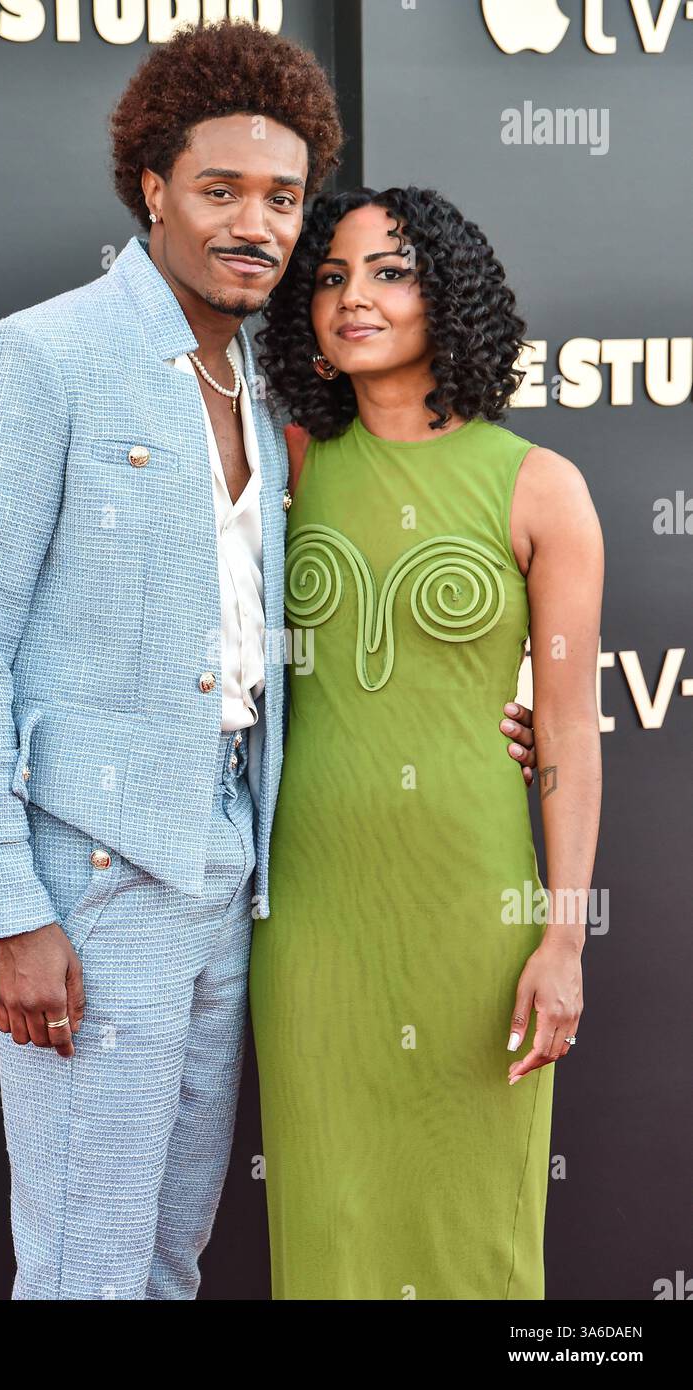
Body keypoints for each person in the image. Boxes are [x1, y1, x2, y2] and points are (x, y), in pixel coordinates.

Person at [0, 20, 536, 1301]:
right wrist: (7, 909)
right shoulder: (45, 361)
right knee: (85, 1265)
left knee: (166, 1257)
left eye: (282, 196)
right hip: (88, 875)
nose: (256, 222)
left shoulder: (269, 376)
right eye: (220, 190)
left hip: (235, 870)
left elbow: (398, 554)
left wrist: (501, 690)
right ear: (153, 187)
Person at [248, 187, 603, 1300]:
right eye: (329, 276)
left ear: (448, 294)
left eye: (388, 271)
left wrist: (560, 940)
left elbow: (563, 739)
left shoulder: (539, 486)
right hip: (309, 911)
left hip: (470, 906)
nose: (353, 298)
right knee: (330, 1215)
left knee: (468, 1221)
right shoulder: (288, 463)